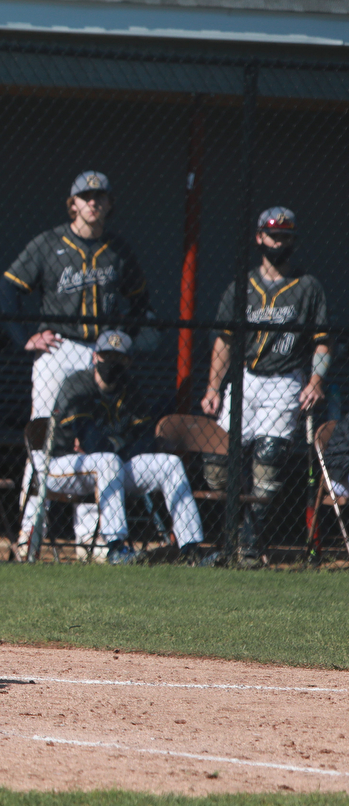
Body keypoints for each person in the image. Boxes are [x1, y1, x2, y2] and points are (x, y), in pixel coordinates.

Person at [200, 207, 329, 562]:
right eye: (273, 236)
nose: (279, 242)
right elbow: (224, 341)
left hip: (286, 380)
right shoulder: (242, 287)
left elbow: (322, 341)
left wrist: (316, 380)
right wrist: (213, 387)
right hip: (246, 378)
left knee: (268, 459)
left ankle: (250, 539)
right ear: (259, 238)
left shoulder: (307, 287)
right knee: (216, 463)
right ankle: (233, 529)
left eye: (286, 237)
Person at [20, 331, 205, 564]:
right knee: (107, 459)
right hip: (61, 465)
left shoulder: (130, 387)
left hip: (110, 465)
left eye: (119, 358)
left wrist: (118, 446)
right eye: (107, 356)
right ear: (95, 356)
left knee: (170, 464)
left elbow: (145, 439)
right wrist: (121, 443)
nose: (112, 364)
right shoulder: (78, 384)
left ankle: (191, 548)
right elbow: (89, 439)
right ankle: (116, 547)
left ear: (129, 362)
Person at [0, 172, 156, 424]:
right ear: (73, 204)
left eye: (100, 197)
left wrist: (125, 337)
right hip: (59, 346)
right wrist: (24, 337)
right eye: (85, 197)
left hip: (102, 350)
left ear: (109, 204)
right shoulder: (49, 243)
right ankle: (38, 465)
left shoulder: (118, 249)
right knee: (45, 419)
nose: (93, 203)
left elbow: (139, 298)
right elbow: (7, 287)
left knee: (97, 422)